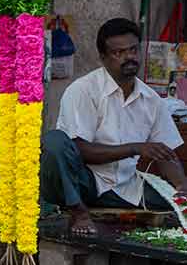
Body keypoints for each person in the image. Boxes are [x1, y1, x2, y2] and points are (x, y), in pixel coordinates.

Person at [41, 17, 187, 236]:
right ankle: (79, 213)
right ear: (103, 57)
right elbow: (79, 149)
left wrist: (182, 189)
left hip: (124, 187)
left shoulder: (151, 99)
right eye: (118, 53)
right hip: (81, 182)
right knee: (55, 141)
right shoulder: (83, 90)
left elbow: (165, 153)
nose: (129, 57)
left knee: (175, 209)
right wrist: (135, 148)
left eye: (133, 50)